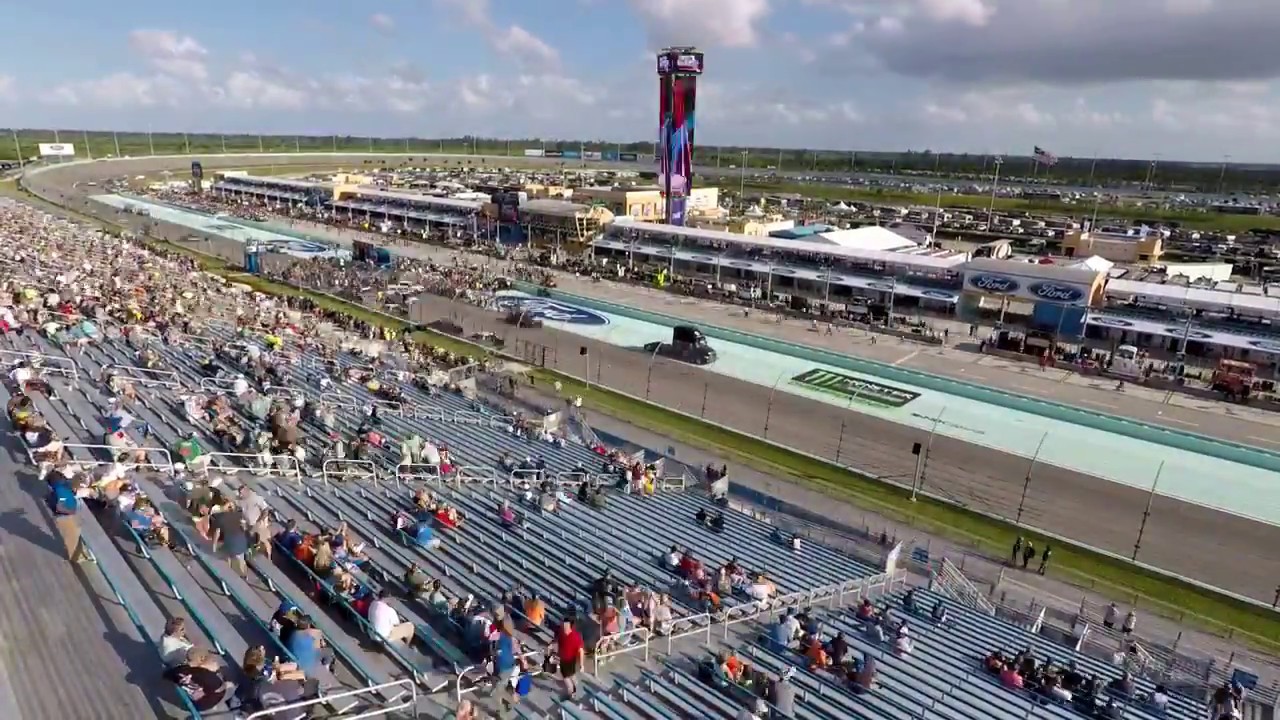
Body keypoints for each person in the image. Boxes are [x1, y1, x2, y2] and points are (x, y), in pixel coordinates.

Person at [163, 647, 233, 712]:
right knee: (220, 690)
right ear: (201, 659)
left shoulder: (182, 669)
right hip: (199, 704)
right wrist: (226, 685)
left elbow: (168, 674)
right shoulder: (208, 677)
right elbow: (219, 689)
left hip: (186, 696)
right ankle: (212, 705)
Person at [553, 614, 584, 700]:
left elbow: (581, 651)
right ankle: (575, 684)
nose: (563, 625)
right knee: (572, 673)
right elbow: (558, 643)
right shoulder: (563, 633)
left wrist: (582, 665)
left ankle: (571, 693)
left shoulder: (575, 636)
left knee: (566, 678)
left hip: (567, 660)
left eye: (565, 624)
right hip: (568, 659)